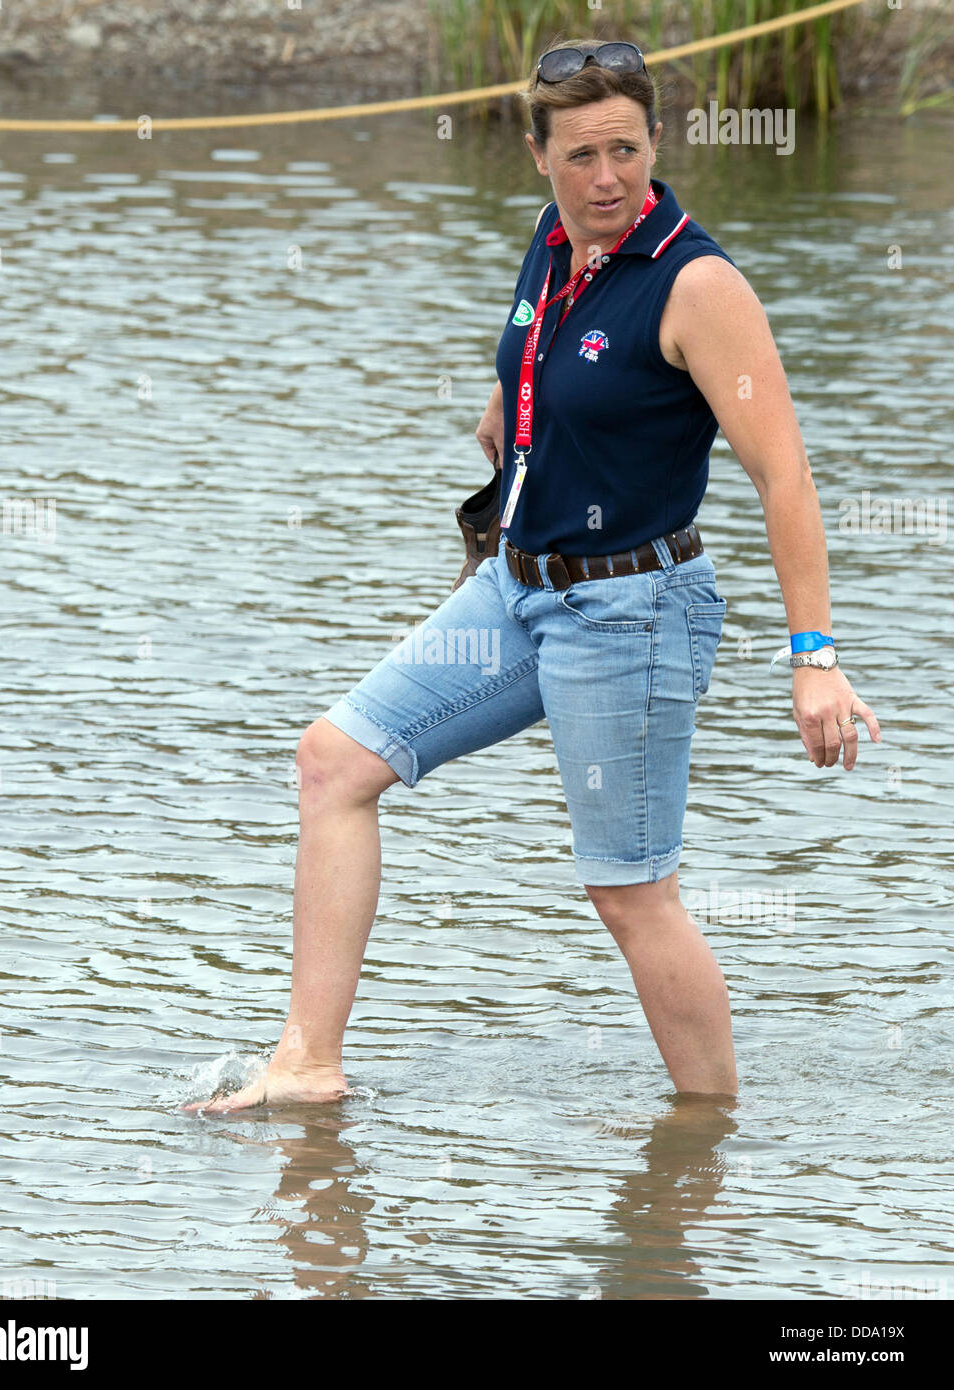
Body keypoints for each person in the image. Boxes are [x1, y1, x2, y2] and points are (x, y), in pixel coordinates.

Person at [184, 37, 880, 1115]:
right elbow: (522, 390)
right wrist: (515, 453)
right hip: (515, 590)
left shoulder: (697, 284)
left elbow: (784, 473)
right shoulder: (554, 246)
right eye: (581, 156)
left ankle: (711, 1136)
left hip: (632, 610)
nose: (607, 178)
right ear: (537, 156)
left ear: (657, 142)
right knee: (333, 763)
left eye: (627, 151)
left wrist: (814, 657)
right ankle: (307, 1066)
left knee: (629, 893)